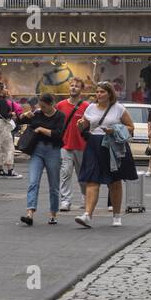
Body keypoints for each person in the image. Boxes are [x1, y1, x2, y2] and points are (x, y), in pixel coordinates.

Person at [73, 83, 137, 228]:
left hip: (112, 146)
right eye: (97, 92)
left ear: (109, 93)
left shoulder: (118, 108)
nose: (99, 94)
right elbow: (86, 125)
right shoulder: (90, 108)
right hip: (94, 144)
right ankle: (88, 215)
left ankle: (116, 216)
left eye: (102, 92)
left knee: (114, 182)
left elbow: (130, 127)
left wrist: (114, 130)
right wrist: (81, 124)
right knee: (91, 180)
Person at [18, 94, 66, 226]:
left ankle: (53, 214)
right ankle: (30, 213)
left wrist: (42, 130)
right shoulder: (38, 113)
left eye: (44, 106)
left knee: (54, 184)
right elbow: (20, 121)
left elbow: (58, 134)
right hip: (37, 150)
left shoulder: (60, 116)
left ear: (52, 104)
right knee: (33, 181)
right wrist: (24, 116)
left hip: (53, 150)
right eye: (40, 106)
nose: (41, 109)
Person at [56, 80, 90, 212]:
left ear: (81, 89)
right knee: (65, 173)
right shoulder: (60, 105)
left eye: (77, 86)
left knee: (82, 175)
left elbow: (91, 125)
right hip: (65, 145)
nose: (73, 88)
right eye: (72, 86)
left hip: (82, 146)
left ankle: (85, 196)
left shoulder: (86, 106)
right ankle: (65, 201)